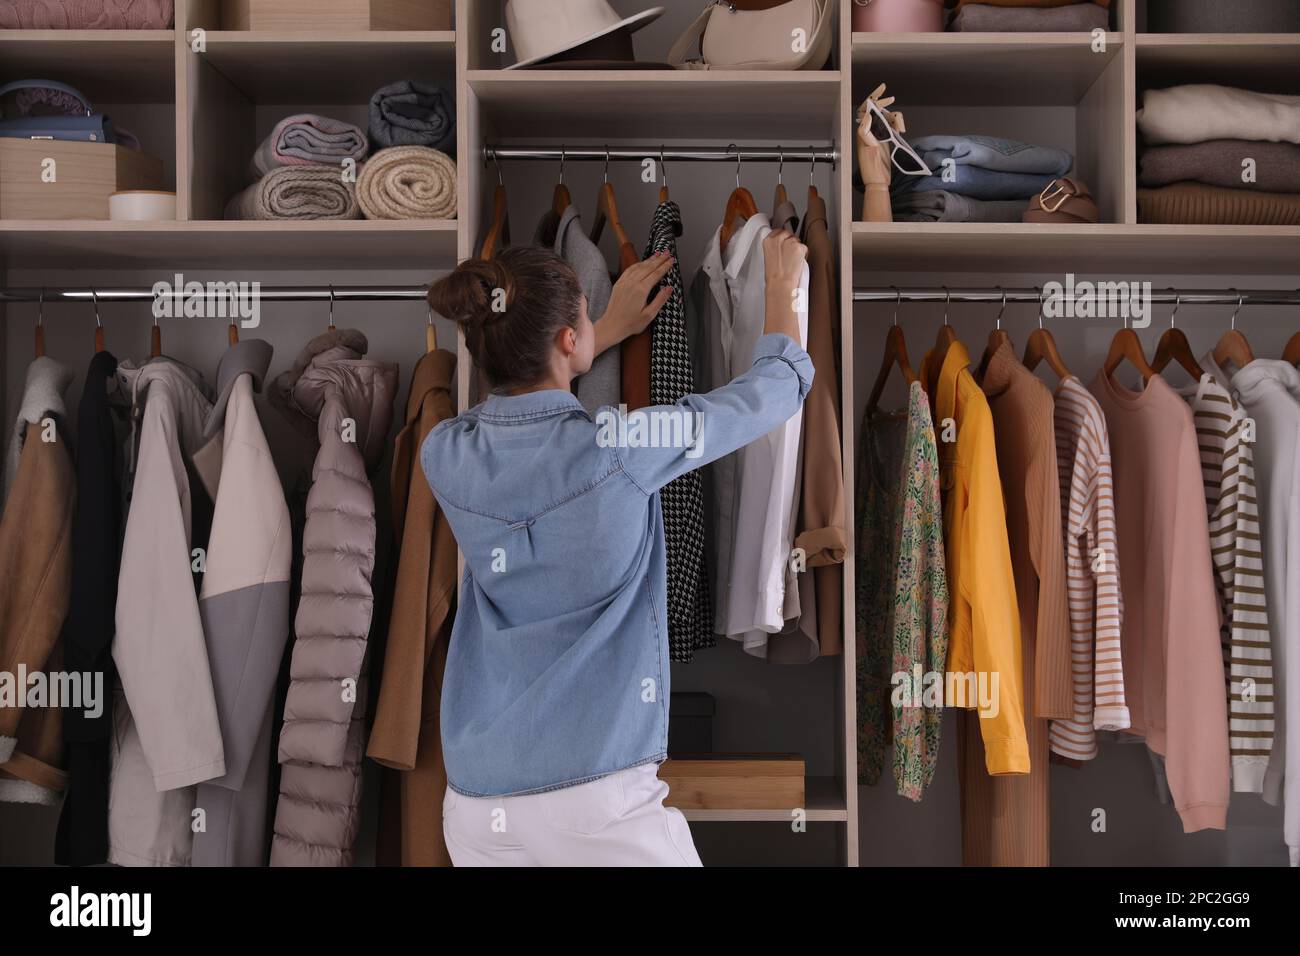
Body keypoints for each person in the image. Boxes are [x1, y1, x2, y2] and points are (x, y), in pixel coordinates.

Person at [422, 230, 814, 866]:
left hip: (476, 801)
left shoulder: (444, 454)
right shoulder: (627, 447)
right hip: (590, 798)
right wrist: (780, 284)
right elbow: (776, 387)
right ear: (568, 340)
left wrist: (589, 337)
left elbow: (518, 412)